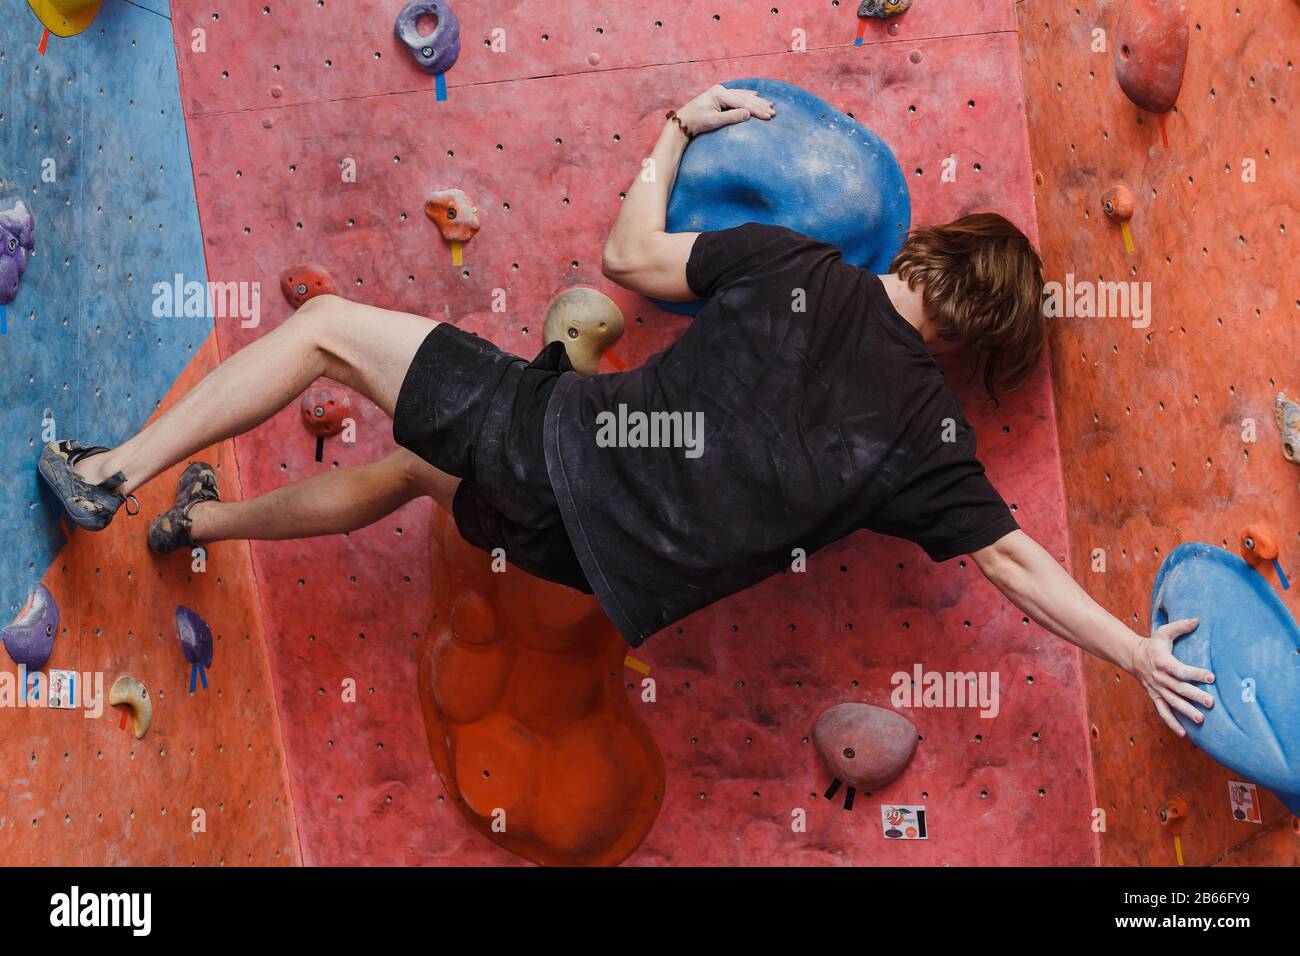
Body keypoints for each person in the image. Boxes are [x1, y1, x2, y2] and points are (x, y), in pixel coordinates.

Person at [38, 84, 1213, 735]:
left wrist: (674, 128)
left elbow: (625, 253)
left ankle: (113, 471)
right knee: (408, 473)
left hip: (554, 458)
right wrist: (1134, 654)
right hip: (583, 566)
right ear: (974, 345)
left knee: (324, 328)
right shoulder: (927, 440)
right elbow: (1015, 562)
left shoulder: (797, 262)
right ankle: (197, 522)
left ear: (933, 246)